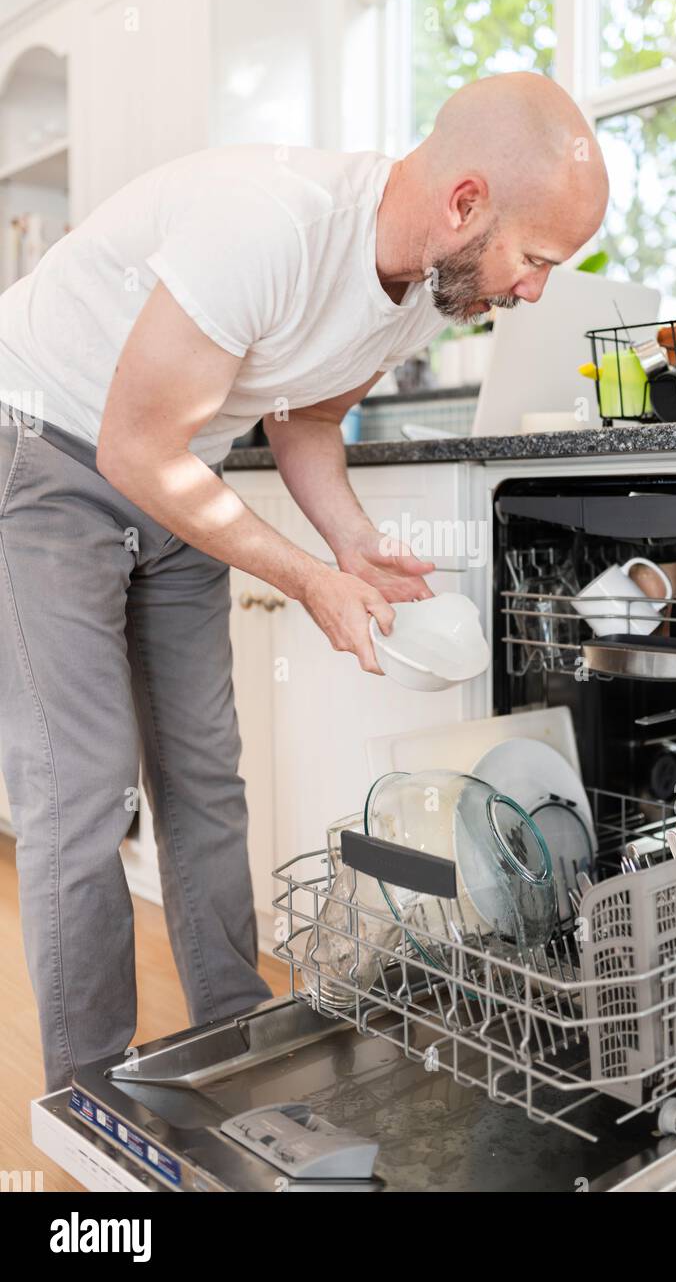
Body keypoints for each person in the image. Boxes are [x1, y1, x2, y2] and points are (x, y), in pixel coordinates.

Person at [0, 71, 608, 1090]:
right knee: (83, 789)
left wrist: (354, 547)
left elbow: (305, 418)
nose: (533, 290)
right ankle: (89, 1096)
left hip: (171, 456)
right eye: (534, 259)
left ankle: (233, 1041)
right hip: (45, 444)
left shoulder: (425, 288)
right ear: (464, 204)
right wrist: (305, 576)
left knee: (204, 773)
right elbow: (130, 446)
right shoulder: (270, 226)